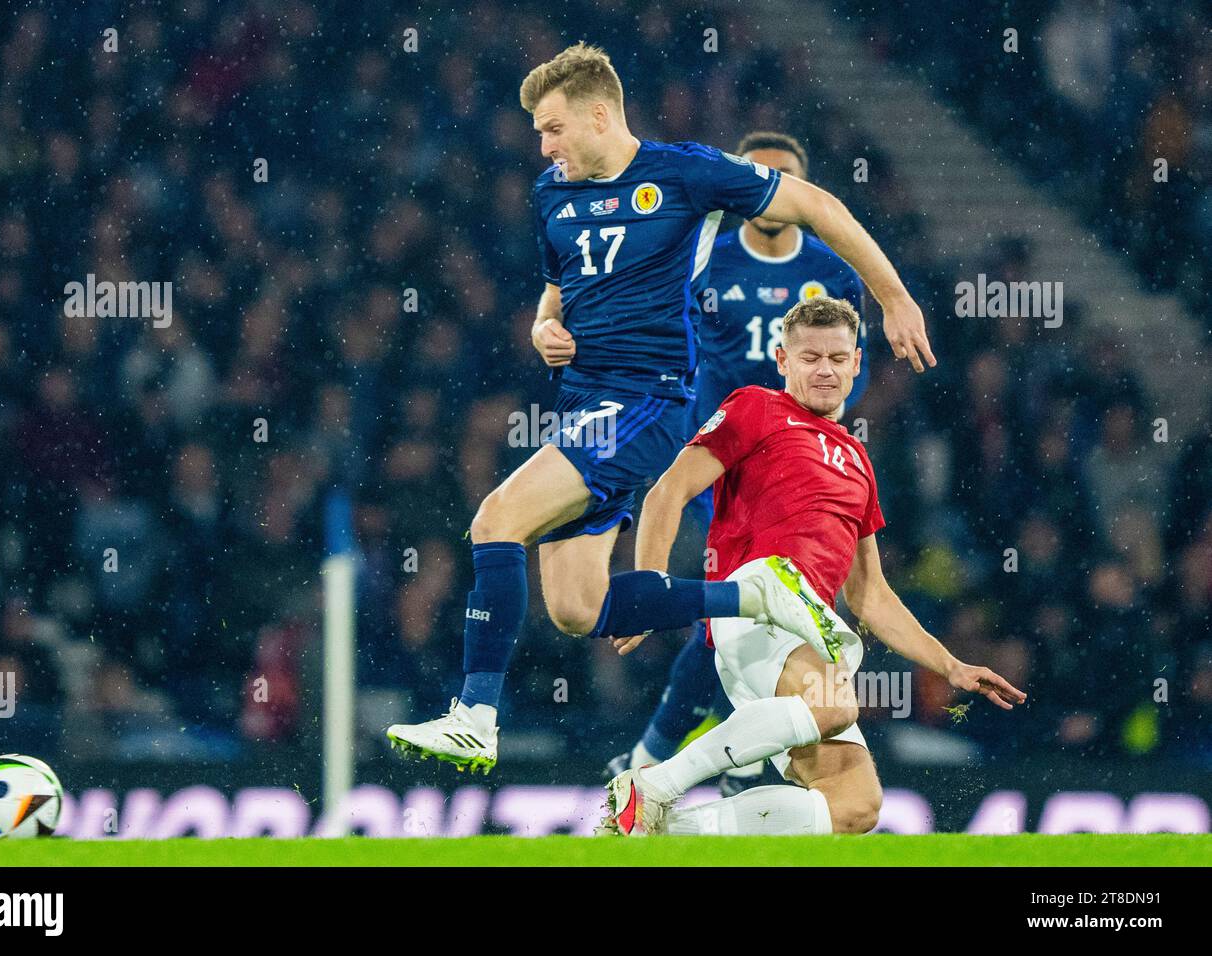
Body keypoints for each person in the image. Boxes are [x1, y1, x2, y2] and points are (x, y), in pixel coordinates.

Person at [386, 42, 933, 774]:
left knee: (495, 519)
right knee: (578, 610)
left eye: (552, 128)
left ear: (600, 115)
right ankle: (757, 599)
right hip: (582, 405)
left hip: (646, 400)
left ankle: (475, 715)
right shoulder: (553, 191)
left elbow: (818, 206)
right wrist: (542, 326)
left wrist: (895, 297)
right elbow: (559, 289)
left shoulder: (685, 173)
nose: (543, 146)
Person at [600, 296, 1024, 835]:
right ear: (783, 360)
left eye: (836, 357)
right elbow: (667, 493)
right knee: (834, 703)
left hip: (808, 630)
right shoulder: (756, 407)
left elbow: (870, 595)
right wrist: (653, 590)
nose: (823, 368)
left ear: (855, 365)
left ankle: (659, 831)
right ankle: (653, 784)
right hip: (757, 596)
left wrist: (951, 666)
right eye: (809, 356)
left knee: (854, 806)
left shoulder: (858, 462)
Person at [609, 131, 869, 795]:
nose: (774, 190)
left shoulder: (833, 270)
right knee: (747, 609)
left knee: (746, 615)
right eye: (763, 176)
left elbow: (847, 369)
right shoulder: (708, 259)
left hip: (795, 467)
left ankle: (661, 759)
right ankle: (712, 764)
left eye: (788, 178)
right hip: (720, 457)